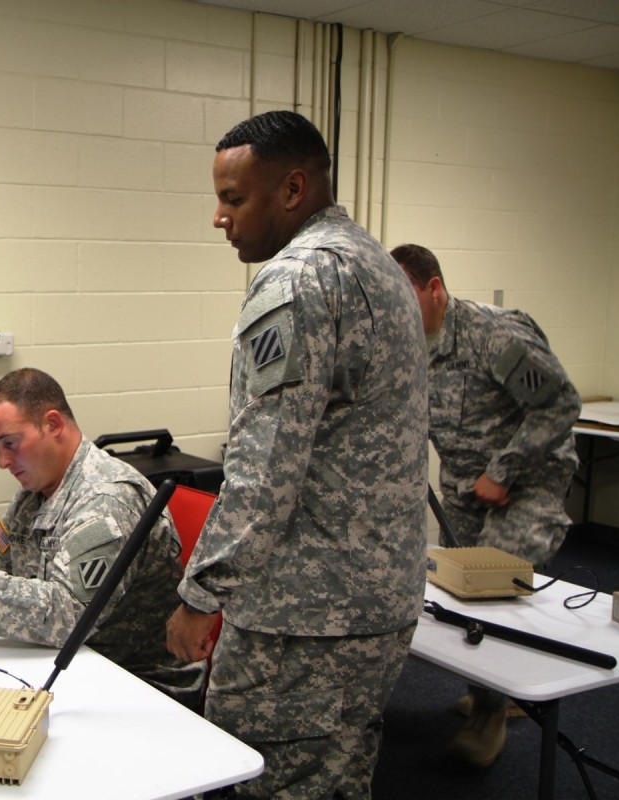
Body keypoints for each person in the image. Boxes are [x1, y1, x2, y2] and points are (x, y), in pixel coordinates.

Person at [165, 111, 428, 798]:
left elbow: (264, 471)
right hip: (376, 599)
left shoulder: (297, 279)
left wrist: (201, 594)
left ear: (292, 189)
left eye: (233, 198)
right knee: (338, 774)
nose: (219, 218)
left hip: (303, 617)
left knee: (267, 780)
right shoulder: (376, 263)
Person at [0, 367, 206, 710]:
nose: (3, 461)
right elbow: (4, 575)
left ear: (53, 424)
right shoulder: (37, 490)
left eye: (10, 444)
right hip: (66, 666)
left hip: (138, 686)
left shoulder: (106, 500)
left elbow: (68, 619)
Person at [391, 242, 581, 766]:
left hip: (528, 479)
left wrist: (503, 471)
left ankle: (490, 715)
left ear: (434, 288)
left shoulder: (494, 336)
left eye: (405, 295)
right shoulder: (406, 342)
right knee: (460, 593)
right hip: (465, 485)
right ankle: (490, 692)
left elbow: (560, 403)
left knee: (495, 585)